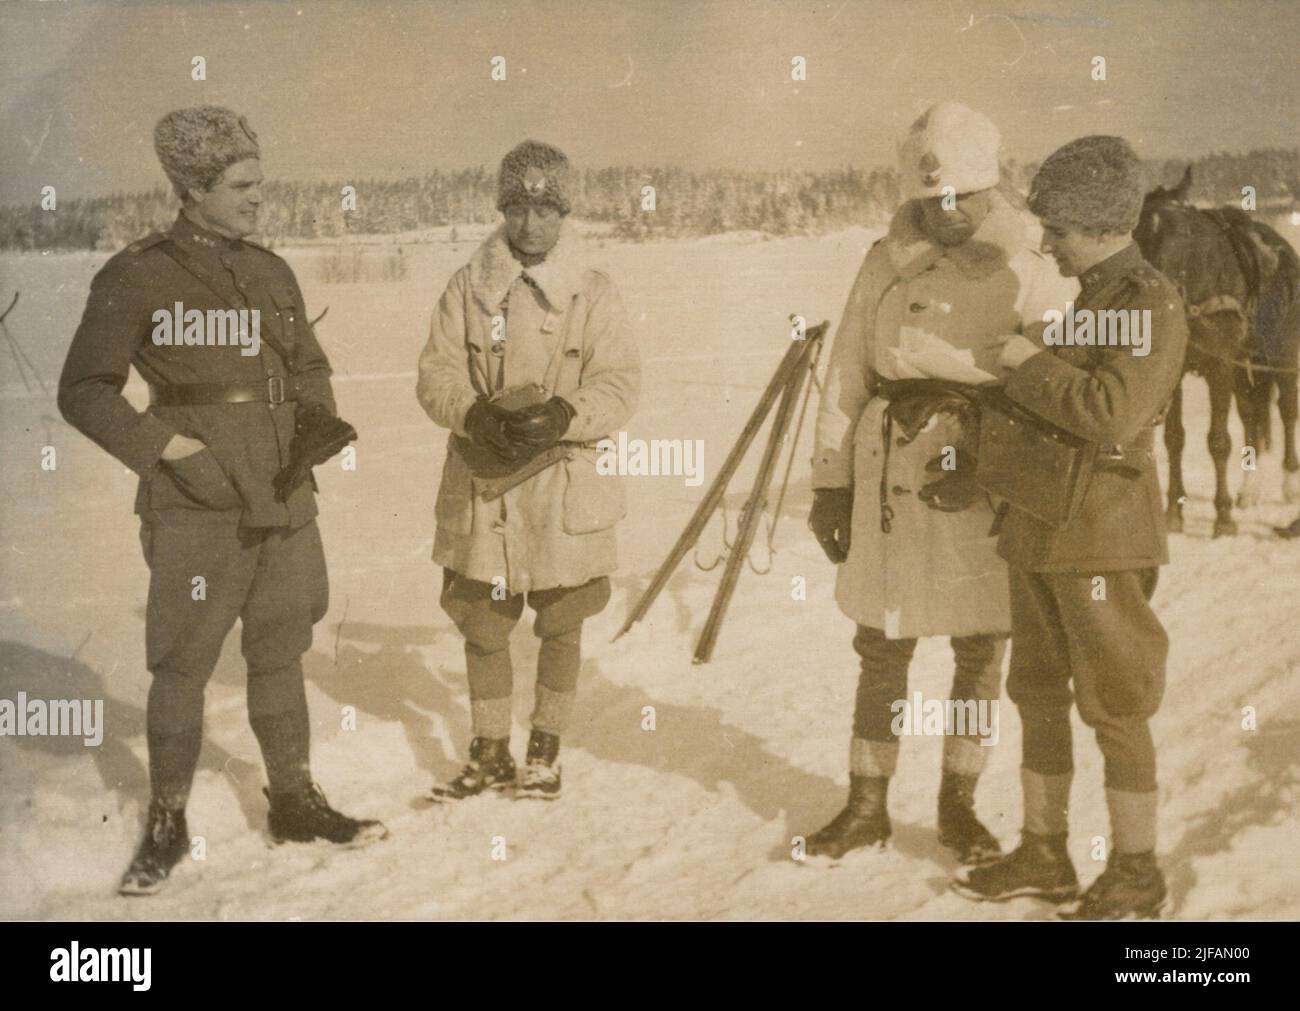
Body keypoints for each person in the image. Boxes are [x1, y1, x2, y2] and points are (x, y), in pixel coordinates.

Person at [58, 106, 386, 896]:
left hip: (284, 495)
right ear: (193, 186)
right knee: (182, 660)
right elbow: (84, 390)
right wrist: (168, 450)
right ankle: (166, 819)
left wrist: (315, 420)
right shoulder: (137, 273)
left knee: (280, 646)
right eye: (241, 186)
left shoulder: (273, 270)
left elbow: (308, 362)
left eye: (260, 184)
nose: (258, 200)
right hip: (197, 504)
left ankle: (295, 799)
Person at [806, 103, 1075, 862]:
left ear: (993, 188)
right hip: (888, 476)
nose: (948, 213)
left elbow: (1058, 388)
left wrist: (989, 452)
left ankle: (959, 807)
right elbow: (846, 375)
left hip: (982, 479)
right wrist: (831, 485)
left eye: (962, 196)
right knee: (881, 643)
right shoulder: (882, 260)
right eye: (933, 200)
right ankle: (865, 805)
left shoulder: (1034, 266)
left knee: (980, 646)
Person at [952, 136, 1188, 919]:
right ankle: (1047, 852)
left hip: (1102, 535)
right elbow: (1065, 405)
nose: (1045, 241)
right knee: (1037, 693)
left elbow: (1110, 411)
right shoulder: (1095, 298)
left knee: (1115, 703)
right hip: (1045, 528)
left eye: (1055, 226)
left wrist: (1025, 363)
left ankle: (1135, 871)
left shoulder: (1145, 300)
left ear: (1093, 222)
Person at [416, 140, 639, 801]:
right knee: (482, 618)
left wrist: (566, 413)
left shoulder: (593, 291)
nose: (531, 224)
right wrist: (473, 415)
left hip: (564, 477)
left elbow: (621, 383)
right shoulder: (466, 285)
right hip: (484, 478)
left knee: (562, 615)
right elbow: (436, 374)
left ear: (564, 212)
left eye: (545, 209)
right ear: (501, 208)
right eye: (517, 207)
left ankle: (545, 749)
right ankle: (489, 752)